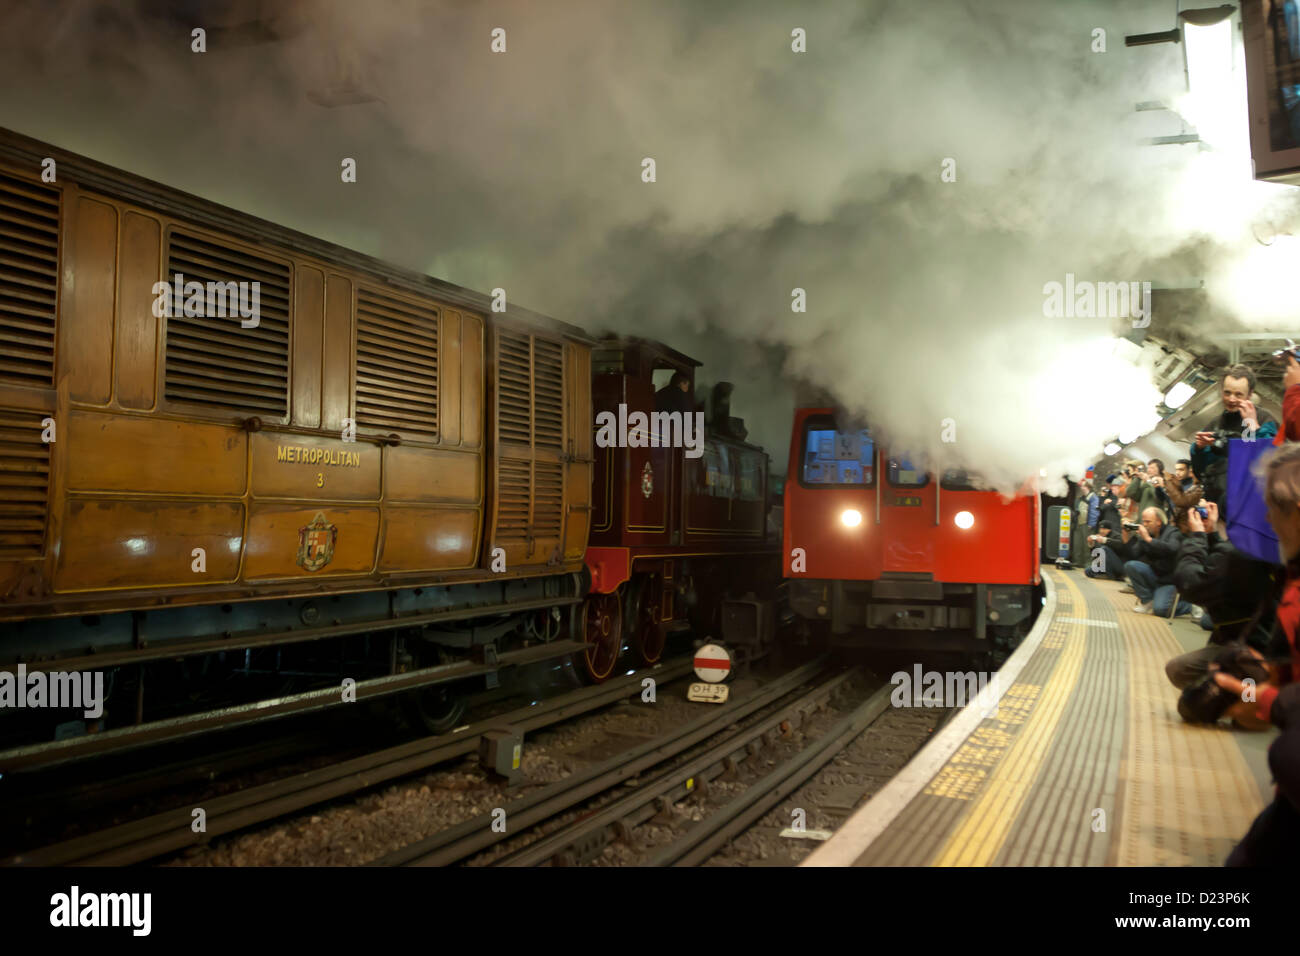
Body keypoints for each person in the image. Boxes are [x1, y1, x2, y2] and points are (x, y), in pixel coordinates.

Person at [1223, 443, 1300, 866]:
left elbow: (1279, 698)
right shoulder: (1288, 580)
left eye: (1274, 506)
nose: (1267, 519)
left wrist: (1251, 695)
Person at [1166, 499, 1280, 692]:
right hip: (1267, 641)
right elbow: (1228, 565)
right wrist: (1212, 536)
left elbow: (1191, 584)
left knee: (1183, 677)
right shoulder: (1273, 546)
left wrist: (1197, 536)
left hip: (1255, 650)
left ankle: (1250, 704)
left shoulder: (1243, 552)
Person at [1191, 364, 1279, 517]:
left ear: (1250, 394)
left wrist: (1252, 426)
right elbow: (1200, 471)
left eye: (1238, 394)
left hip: (1252, 510)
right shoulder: (1215, 424)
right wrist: (1199, 449)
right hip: (1219, 509)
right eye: (1227, 393)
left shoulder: (1265, 420)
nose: (1231, 399)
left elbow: (1270, 462)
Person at [1122, 506, 1198, 616]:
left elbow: (1172, 548)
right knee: (1131, 566)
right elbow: (1133, 555)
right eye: (1143, 521)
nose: (1145, 524)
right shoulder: (1148, 534)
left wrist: (1148, 539)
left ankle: (1188, 605)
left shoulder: (1173, 532)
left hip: (1169, 581)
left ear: (1158, 522)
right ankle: (1148, 601)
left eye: (1148, 521)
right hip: (1154, 576)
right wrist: (1125, 537)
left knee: (1160, 610)